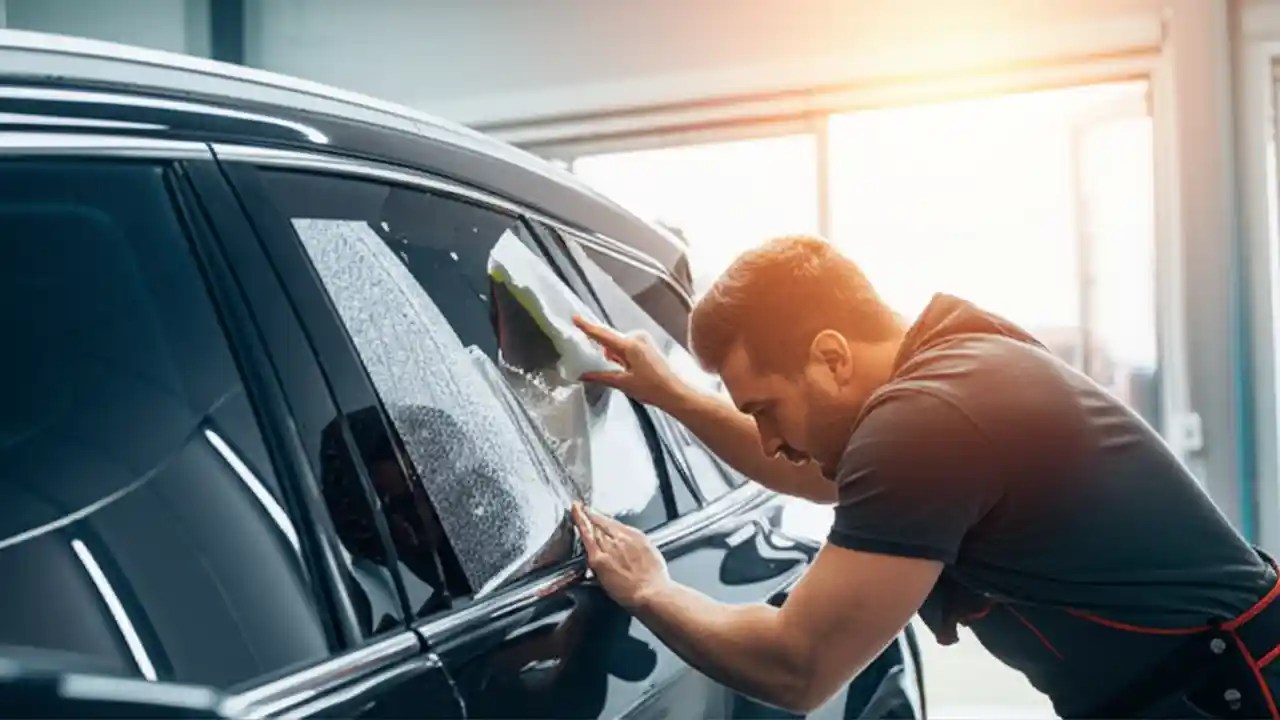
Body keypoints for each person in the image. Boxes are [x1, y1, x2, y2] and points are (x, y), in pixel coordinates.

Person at [569, 235, 1280, 718]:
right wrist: (669, 392)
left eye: (768, 409)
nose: (771, 442)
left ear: (832, 357)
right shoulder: (953, 367)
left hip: (1232, 697)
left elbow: (798, 666)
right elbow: (824, 475)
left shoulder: (925, 422)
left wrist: (650, 589)